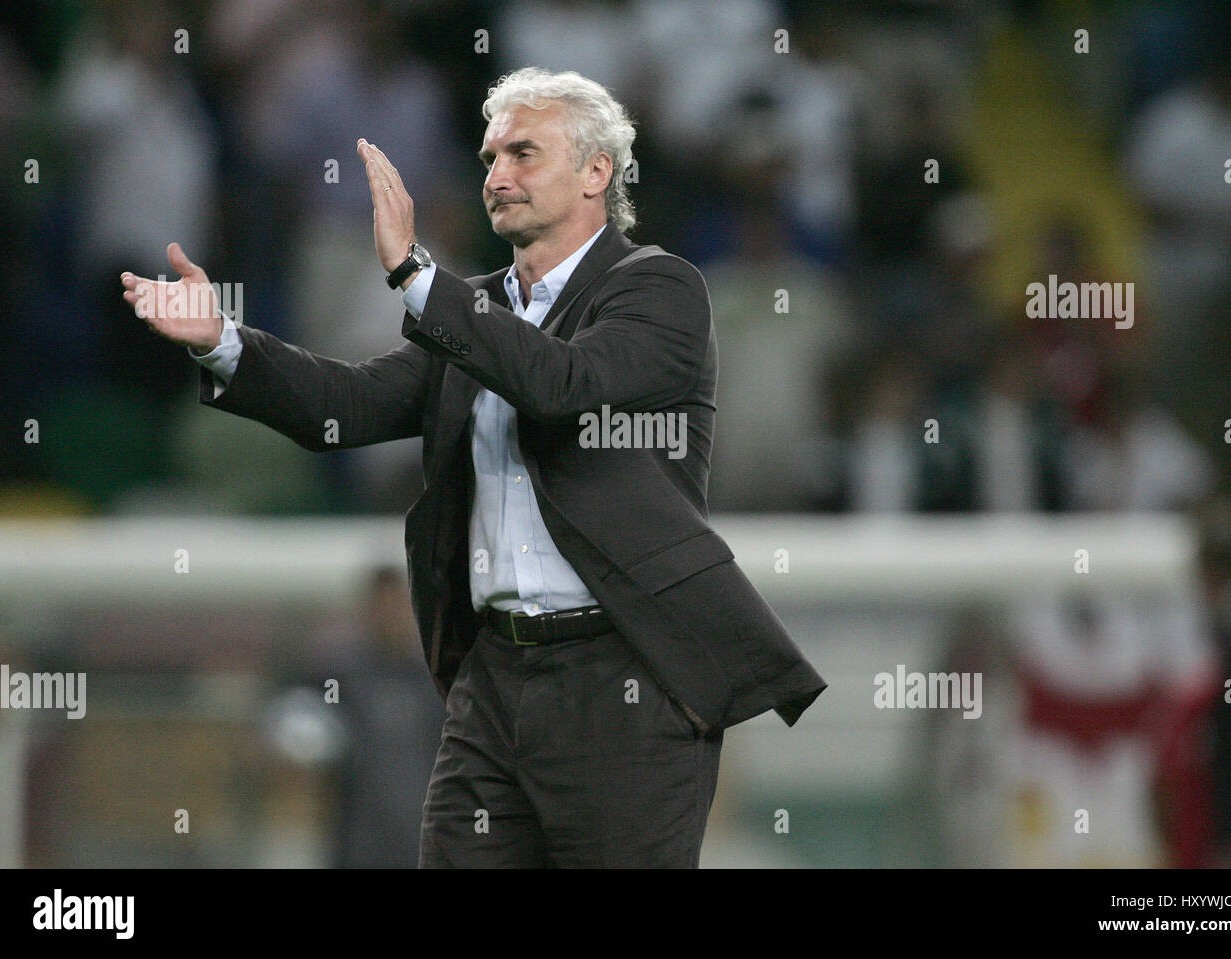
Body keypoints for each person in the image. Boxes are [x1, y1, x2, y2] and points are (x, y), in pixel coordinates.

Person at [121, 67, 827, 868]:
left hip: (623, 678)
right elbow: (345, 406)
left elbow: (562, 385)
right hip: (491, 680)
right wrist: (222, 339)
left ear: (596, 171)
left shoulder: (660, 288)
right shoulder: (470, 311)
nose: (496, 176)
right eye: (491, 158)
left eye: (524, 153)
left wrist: (417, 276)